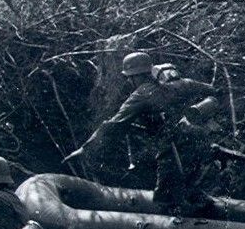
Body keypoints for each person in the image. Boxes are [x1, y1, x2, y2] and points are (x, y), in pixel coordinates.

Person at [64, 51, 223, 216]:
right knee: (190, 184)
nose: (129, 81)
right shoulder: (182, 84)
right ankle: (203, 210)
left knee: (166, 198)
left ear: (136, 76)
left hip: (173, 146)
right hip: (200, 142)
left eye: (129, 77)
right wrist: (203, 110)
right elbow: (214, 91)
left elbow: (113, 125)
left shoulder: (140, 96)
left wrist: (86, 148)